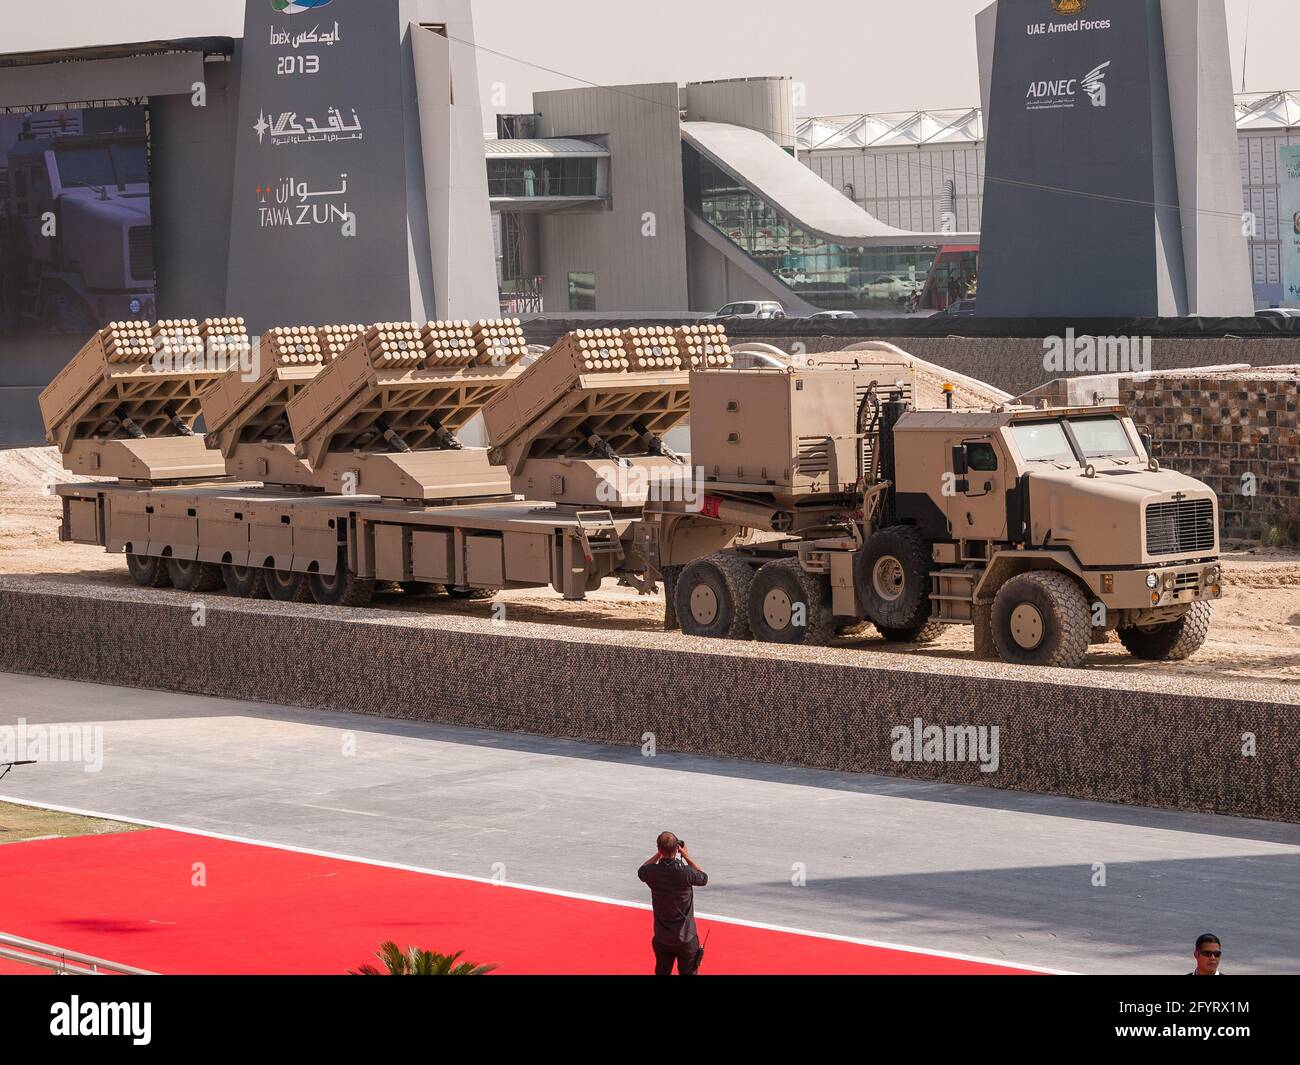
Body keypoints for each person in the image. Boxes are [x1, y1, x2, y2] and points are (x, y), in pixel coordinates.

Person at [637, 831, 708, 976]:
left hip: (662, 937)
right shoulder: (686, 873)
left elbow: (641, 871)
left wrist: (659, 854)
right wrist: (686, 856)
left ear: (659, 849)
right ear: (677, 849)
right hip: (686, 938)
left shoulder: (652, 872)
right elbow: (703, 877)